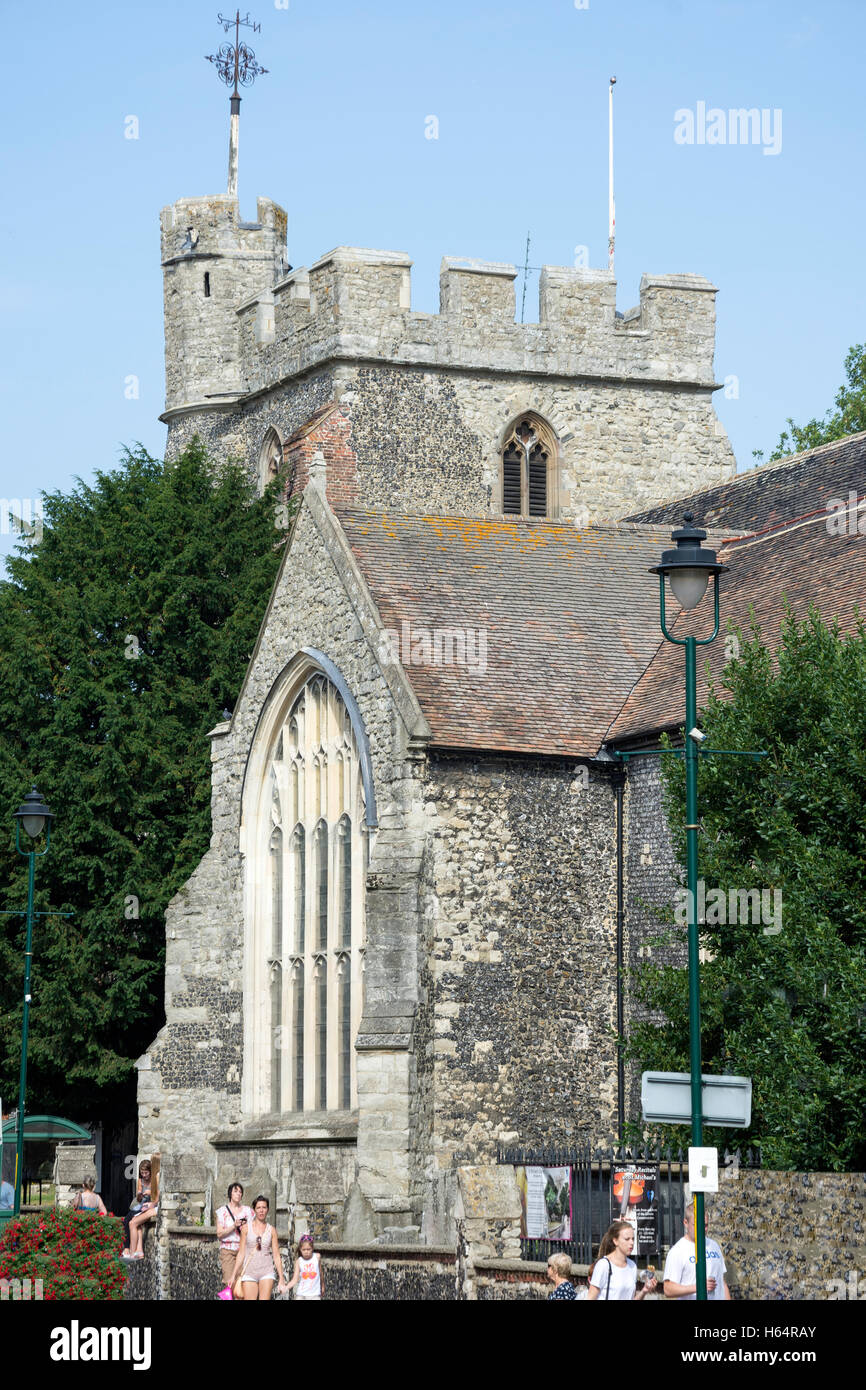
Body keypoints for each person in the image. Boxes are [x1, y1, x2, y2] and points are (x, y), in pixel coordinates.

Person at [663, 1203, 731, 1300]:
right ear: (685, 1223)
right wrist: (699, 1287)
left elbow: (722, 1282)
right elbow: (668, 1289)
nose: (702, 1229)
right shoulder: (677, 1251)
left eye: (706, 1225)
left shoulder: (714, 1245)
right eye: (697, 1225)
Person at [230, 1195, 287, 1300]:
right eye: (258, 1208)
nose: (261, 1211)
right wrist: (233, 1274)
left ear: (267, 1210)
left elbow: (276, 1255)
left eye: (264, 1208)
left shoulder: (272, 1230)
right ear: (254, 1210)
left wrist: (281, 1278)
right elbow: (241, 1253)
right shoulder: (246, 1229)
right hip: (249, 1272)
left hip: (266, 1272)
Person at [588, 1220, 658, 1300]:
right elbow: (590, 1297)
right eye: (627, 1239)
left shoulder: (632, 1266)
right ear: (615, 1241)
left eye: (633, 1239)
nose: (631, 1242)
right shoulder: (603, 1265)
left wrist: (644, 1290)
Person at [216, 1182, 254, 1290]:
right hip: (227, 1250)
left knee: (241, 1283)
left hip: (243, 1249)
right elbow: (219, 1234)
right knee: (229, 1282)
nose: (238, 1194)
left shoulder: (248, 1211)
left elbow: (252, 1230)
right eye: (235, 1191)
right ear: (230, 1194)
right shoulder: (222, 1211)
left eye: (240, 1192)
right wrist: (234, 1226)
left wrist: (244, 1228)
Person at [123, 1160, 156, 1260]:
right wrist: (139, 1195)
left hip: (149, 1205)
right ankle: (127, 1248)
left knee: (132, 1220)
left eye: (146, 1173)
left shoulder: (154, 1181)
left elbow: (156, 1196)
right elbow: (138, 1199)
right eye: (142, 1173)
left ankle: (127, 1248)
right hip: (141, 1204)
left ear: (150, 1171)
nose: (144, 1175)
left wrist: (150, 1192)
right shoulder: (140, 1181)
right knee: (127, 1219)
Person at [286, 1234, 324, 1301]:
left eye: (308, 1249)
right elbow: (295, 1279)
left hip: (314, 1294)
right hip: (301, 1294)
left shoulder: (317, 1257)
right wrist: (286, 1287)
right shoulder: (299, 1261)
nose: (306, 1252)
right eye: (304, 1250)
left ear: (312, 1248)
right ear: (300, 1249)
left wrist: (322, 1286)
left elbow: (320, 1273)